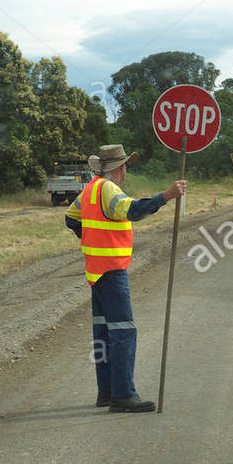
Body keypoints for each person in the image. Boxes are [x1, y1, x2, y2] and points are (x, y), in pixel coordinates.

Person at [64, 144, 186, 413]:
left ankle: (106, 392)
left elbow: (70, 218)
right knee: (124, 332)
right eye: (126, 164)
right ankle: (123, 395)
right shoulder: (108, 189)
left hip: (95, 271)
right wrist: (166, 195)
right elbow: (133, 210)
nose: (127, 168)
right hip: (111, 270)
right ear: (119, 167)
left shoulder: (89, 188)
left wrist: (90, 238)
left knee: (104, 333)